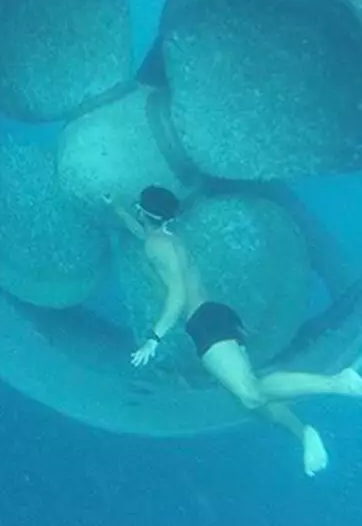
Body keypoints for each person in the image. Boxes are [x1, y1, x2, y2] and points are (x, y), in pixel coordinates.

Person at [110, 185, 362, 477]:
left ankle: (338, 383)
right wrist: (117, 209)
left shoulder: (156, 246)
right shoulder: (164, 239)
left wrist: (154, 337)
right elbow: (144, 235)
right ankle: (303, 433)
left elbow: (177, 294)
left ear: (143, 212)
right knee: (249, 398)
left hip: (204, 323)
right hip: (217, 316)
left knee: (252, 394)